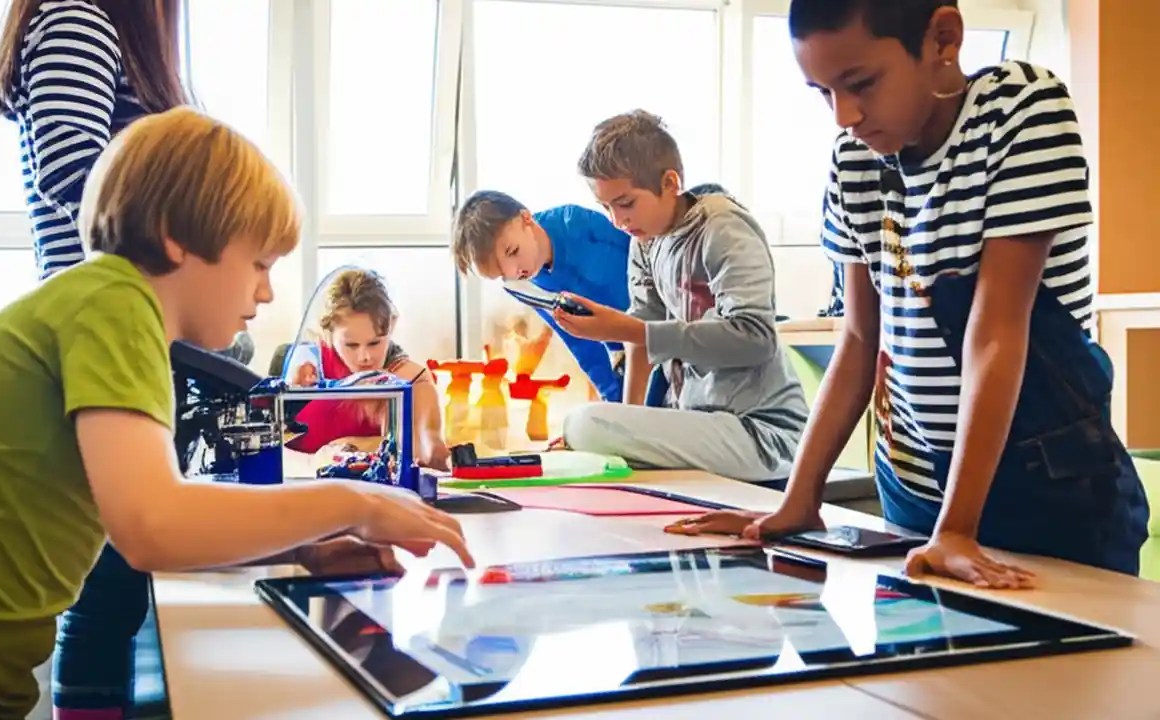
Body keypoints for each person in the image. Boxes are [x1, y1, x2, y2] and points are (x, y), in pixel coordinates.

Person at [0, 107, 474, 719]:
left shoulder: (107, 304)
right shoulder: (114, 304)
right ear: (176, 238)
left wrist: (304, 547)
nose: (266, 291)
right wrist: (356, 502)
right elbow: (152, 527)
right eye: (259, 263)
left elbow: (144, 520)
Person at [670, 0, 1148, 588]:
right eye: (823, 92)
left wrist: (957, 529)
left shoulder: (1020, 110)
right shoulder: (856, 160)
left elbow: (996, 330)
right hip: (913, 486)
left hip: (1047, 489)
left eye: (862, 83)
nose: (845, 116)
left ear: (942, 39)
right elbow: (857, 340)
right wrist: (800, 500)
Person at [0, 1, 188, 714]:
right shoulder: (78, 14)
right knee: (104, 592)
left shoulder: (96, 25)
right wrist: (194, 240)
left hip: (110, 327)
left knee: (110, 592)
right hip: (101, 329)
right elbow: (72, 165)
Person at [552, 110, 808, 485]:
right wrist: (623, 429)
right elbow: (641, 337)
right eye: (606, 208)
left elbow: (755, 338)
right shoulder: (645, 241)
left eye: (625, 204)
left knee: (582, 423)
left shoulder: (723, 226)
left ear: (670, 183)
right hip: (700, 422)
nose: (617, 221)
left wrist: (630, 330)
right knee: (588, 427)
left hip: (761, 432)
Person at [452, 190, 632, 403]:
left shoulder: (579, 225)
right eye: (501, 274)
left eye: (513, 251)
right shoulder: (521, 285)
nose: (514, 272)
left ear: (525, 218)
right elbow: (579, 342)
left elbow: (647, 259)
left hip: (658, 331)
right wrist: (613, 399)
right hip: (625, 358)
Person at [286, 268, 451, 470]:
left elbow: (427, 452)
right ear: (327, 333)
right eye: (351, 345)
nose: (365, 357)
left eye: (374, 343)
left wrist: (352, 445)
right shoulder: (306, 370)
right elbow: (270, 448)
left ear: (391, 325)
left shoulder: (412, 380)